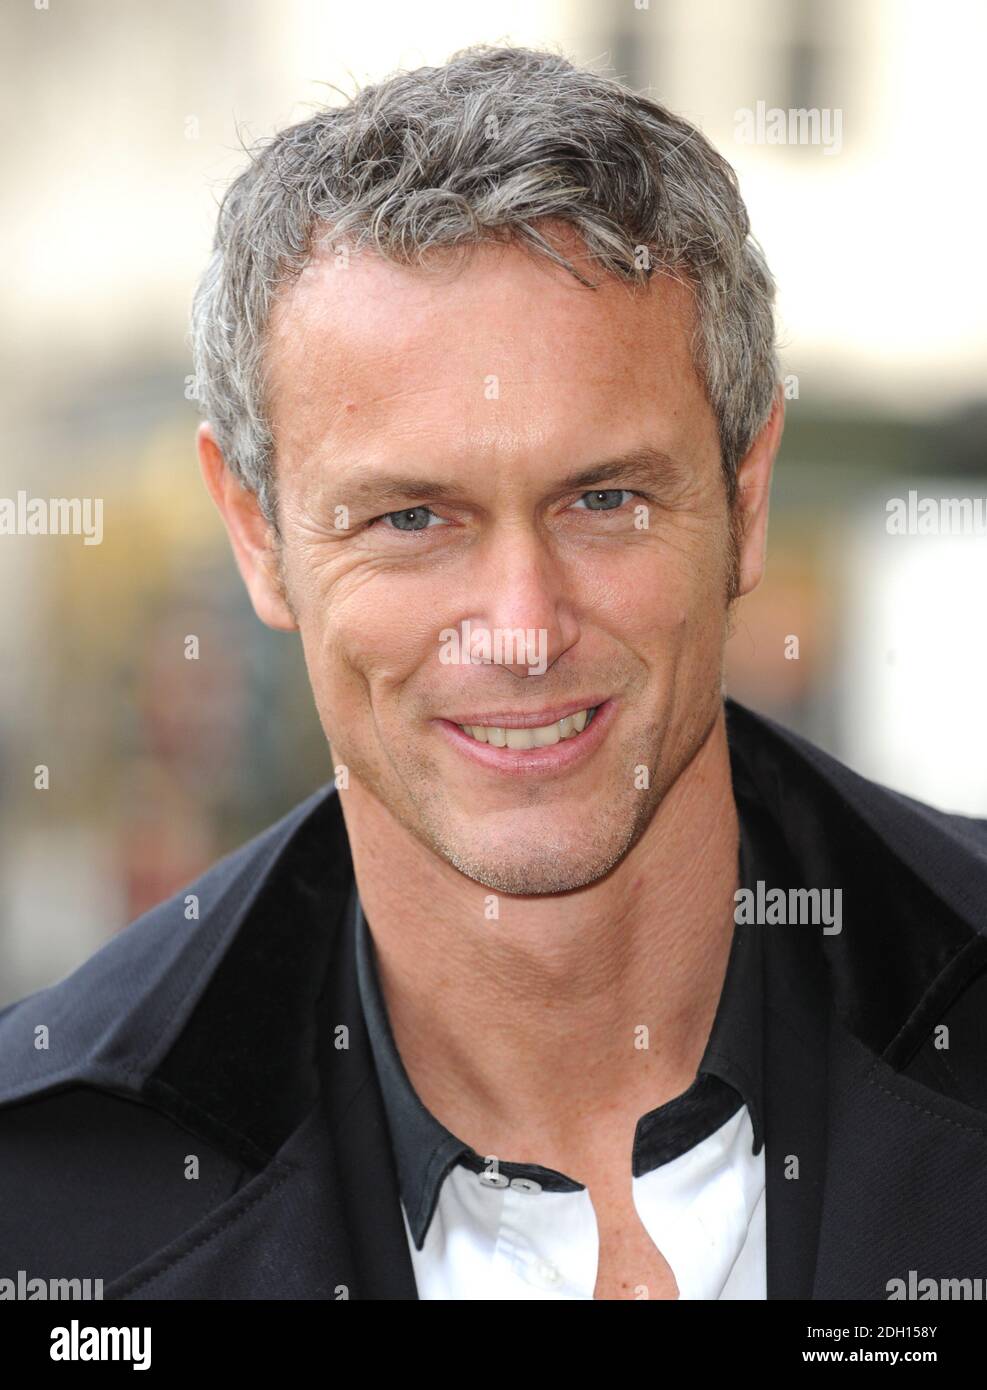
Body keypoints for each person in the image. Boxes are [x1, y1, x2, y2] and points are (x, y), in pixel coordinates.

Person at [2, 44, 986, 1302]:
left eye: (606, 498)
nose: (521, 627)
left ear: (745, 496)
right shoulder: (37, 1205)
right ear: (257, 533)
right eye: (413, 519)